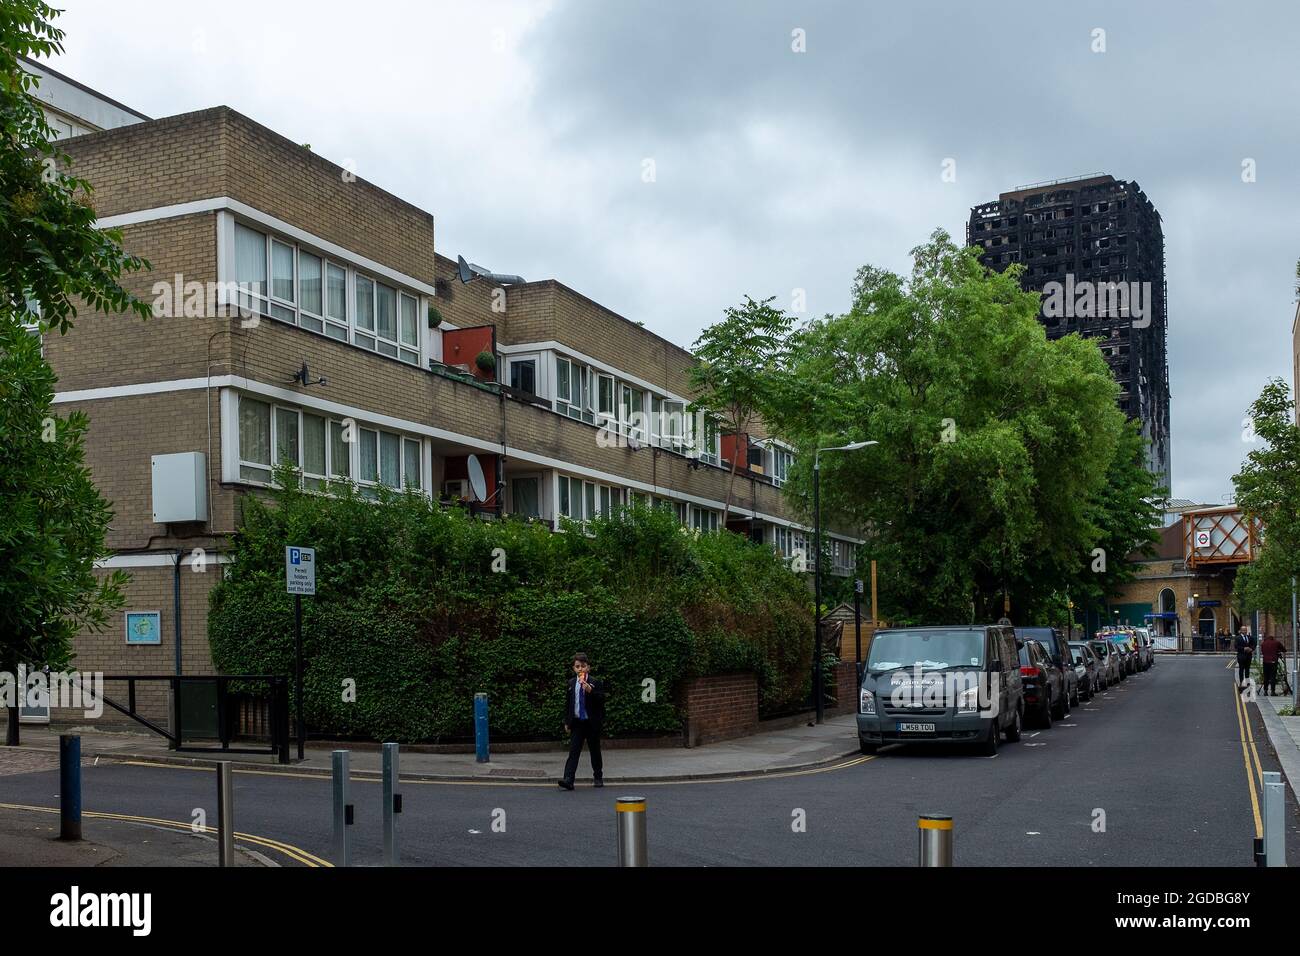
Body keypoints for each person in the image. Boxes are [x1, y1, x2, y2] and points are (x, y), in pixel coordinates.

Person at [559, 652, 605, 790]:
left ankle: (598, 777)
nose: (580, 669)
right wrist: (567, 721)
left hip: (591, 723)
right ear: (574, 668)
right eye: (577, 666)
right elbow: (569, 703)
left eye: (583, 666)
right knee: (573, 752)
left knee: (595, 751)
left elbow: (601, 700)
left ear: (588, 668)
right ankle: (569, 779)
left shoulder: (595, 682)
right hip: (577, 723)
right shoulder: (571, 683)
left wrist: (591, 690)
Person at [1235, 626, 1255, 691]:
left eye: (1245, 630)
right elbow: (1236, 646)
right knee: (1241, 669)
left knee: (1247, 670)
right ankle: (1241, 682)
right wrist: (1244, 648)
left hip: (1248, 656)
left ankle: (1247, 681)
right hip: (1241, 656)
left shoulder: (1250, 637)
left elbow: (1253, 644)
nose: (1245, 631)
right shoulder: (1238, 638)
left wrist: (1251, 649)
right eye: (1243, 630)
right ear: (1240, 631)